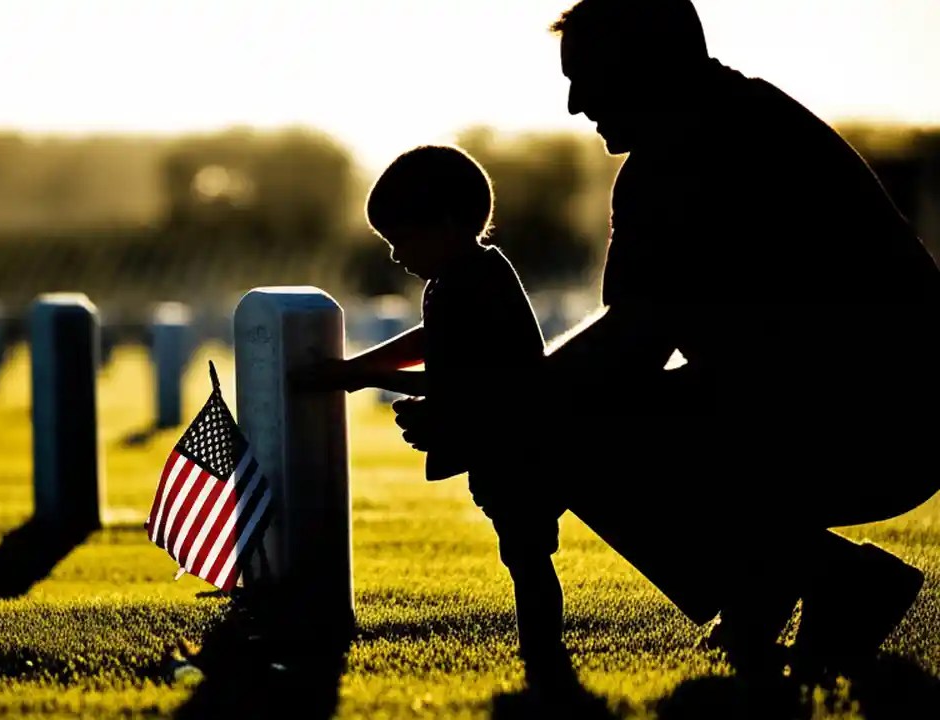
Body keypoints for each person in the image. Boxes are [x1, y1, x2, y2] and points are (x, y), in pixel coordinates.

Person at [395, 0, 940, 677]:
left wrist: (487, 411)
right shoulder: (732, 123)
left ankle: (832, 578)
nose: (574, 104)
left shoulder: (689, 159)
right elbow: (647, 340)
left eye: (586, 77)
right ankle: (769, 583)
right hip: (870, 411)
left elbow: (630, 346)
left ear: (644, 67)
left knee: (565, 433)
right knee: (567, 416)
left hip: (872, 423)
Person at [292, 144, 572, 681]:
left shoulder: (477, 281)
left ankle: (544, 658)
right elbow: (435, 344)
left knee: (526, 555)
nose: (397, 257)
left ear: (444, 225)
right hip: (498, 442)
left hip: (520, 444)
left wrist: (364, 376)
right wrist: (357, 369)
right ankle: (541, 655)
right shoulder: (457, 279)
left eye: (402, 240)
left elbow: (460, 378)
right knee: (521, 554)